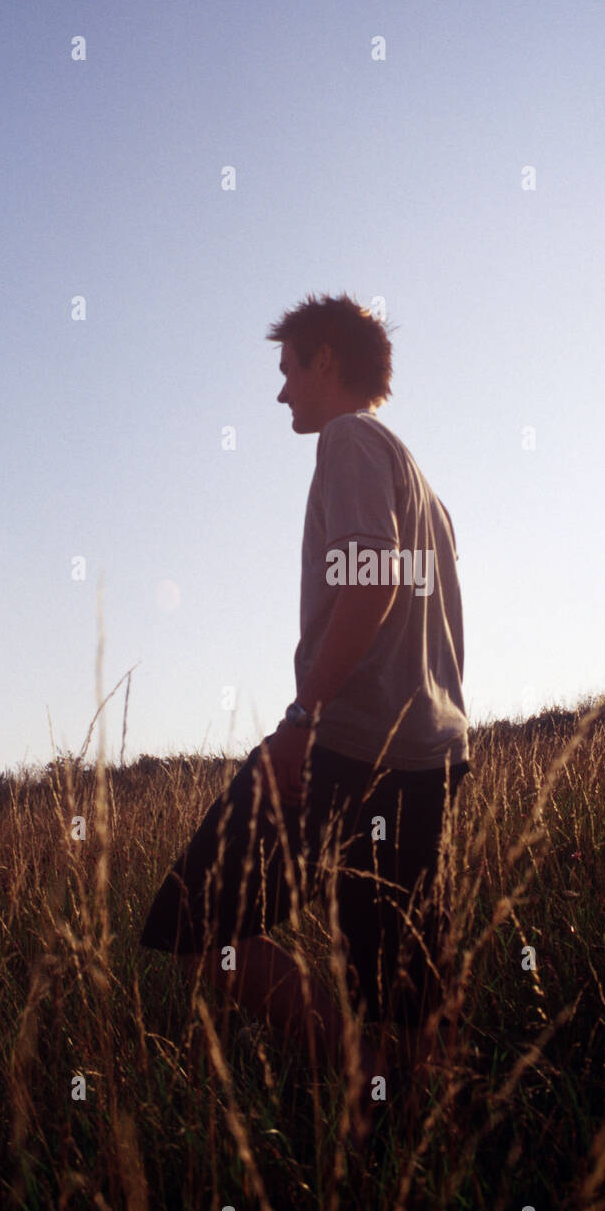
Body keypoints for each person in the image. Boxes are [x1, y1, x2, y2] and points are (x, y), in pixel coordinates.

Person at [139, 292, 471, 1097]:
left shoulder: (350, 441)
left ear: (325, 358)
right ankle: (417, 1126)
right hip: (428, 753)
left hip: (348, 745)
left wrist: (301, 718)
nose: (281, 391)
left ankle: (363, 1076)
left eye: (288, 369)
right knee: (399, 984)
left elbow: (371, 585)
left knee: (193, 925)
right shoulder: (422, 483)